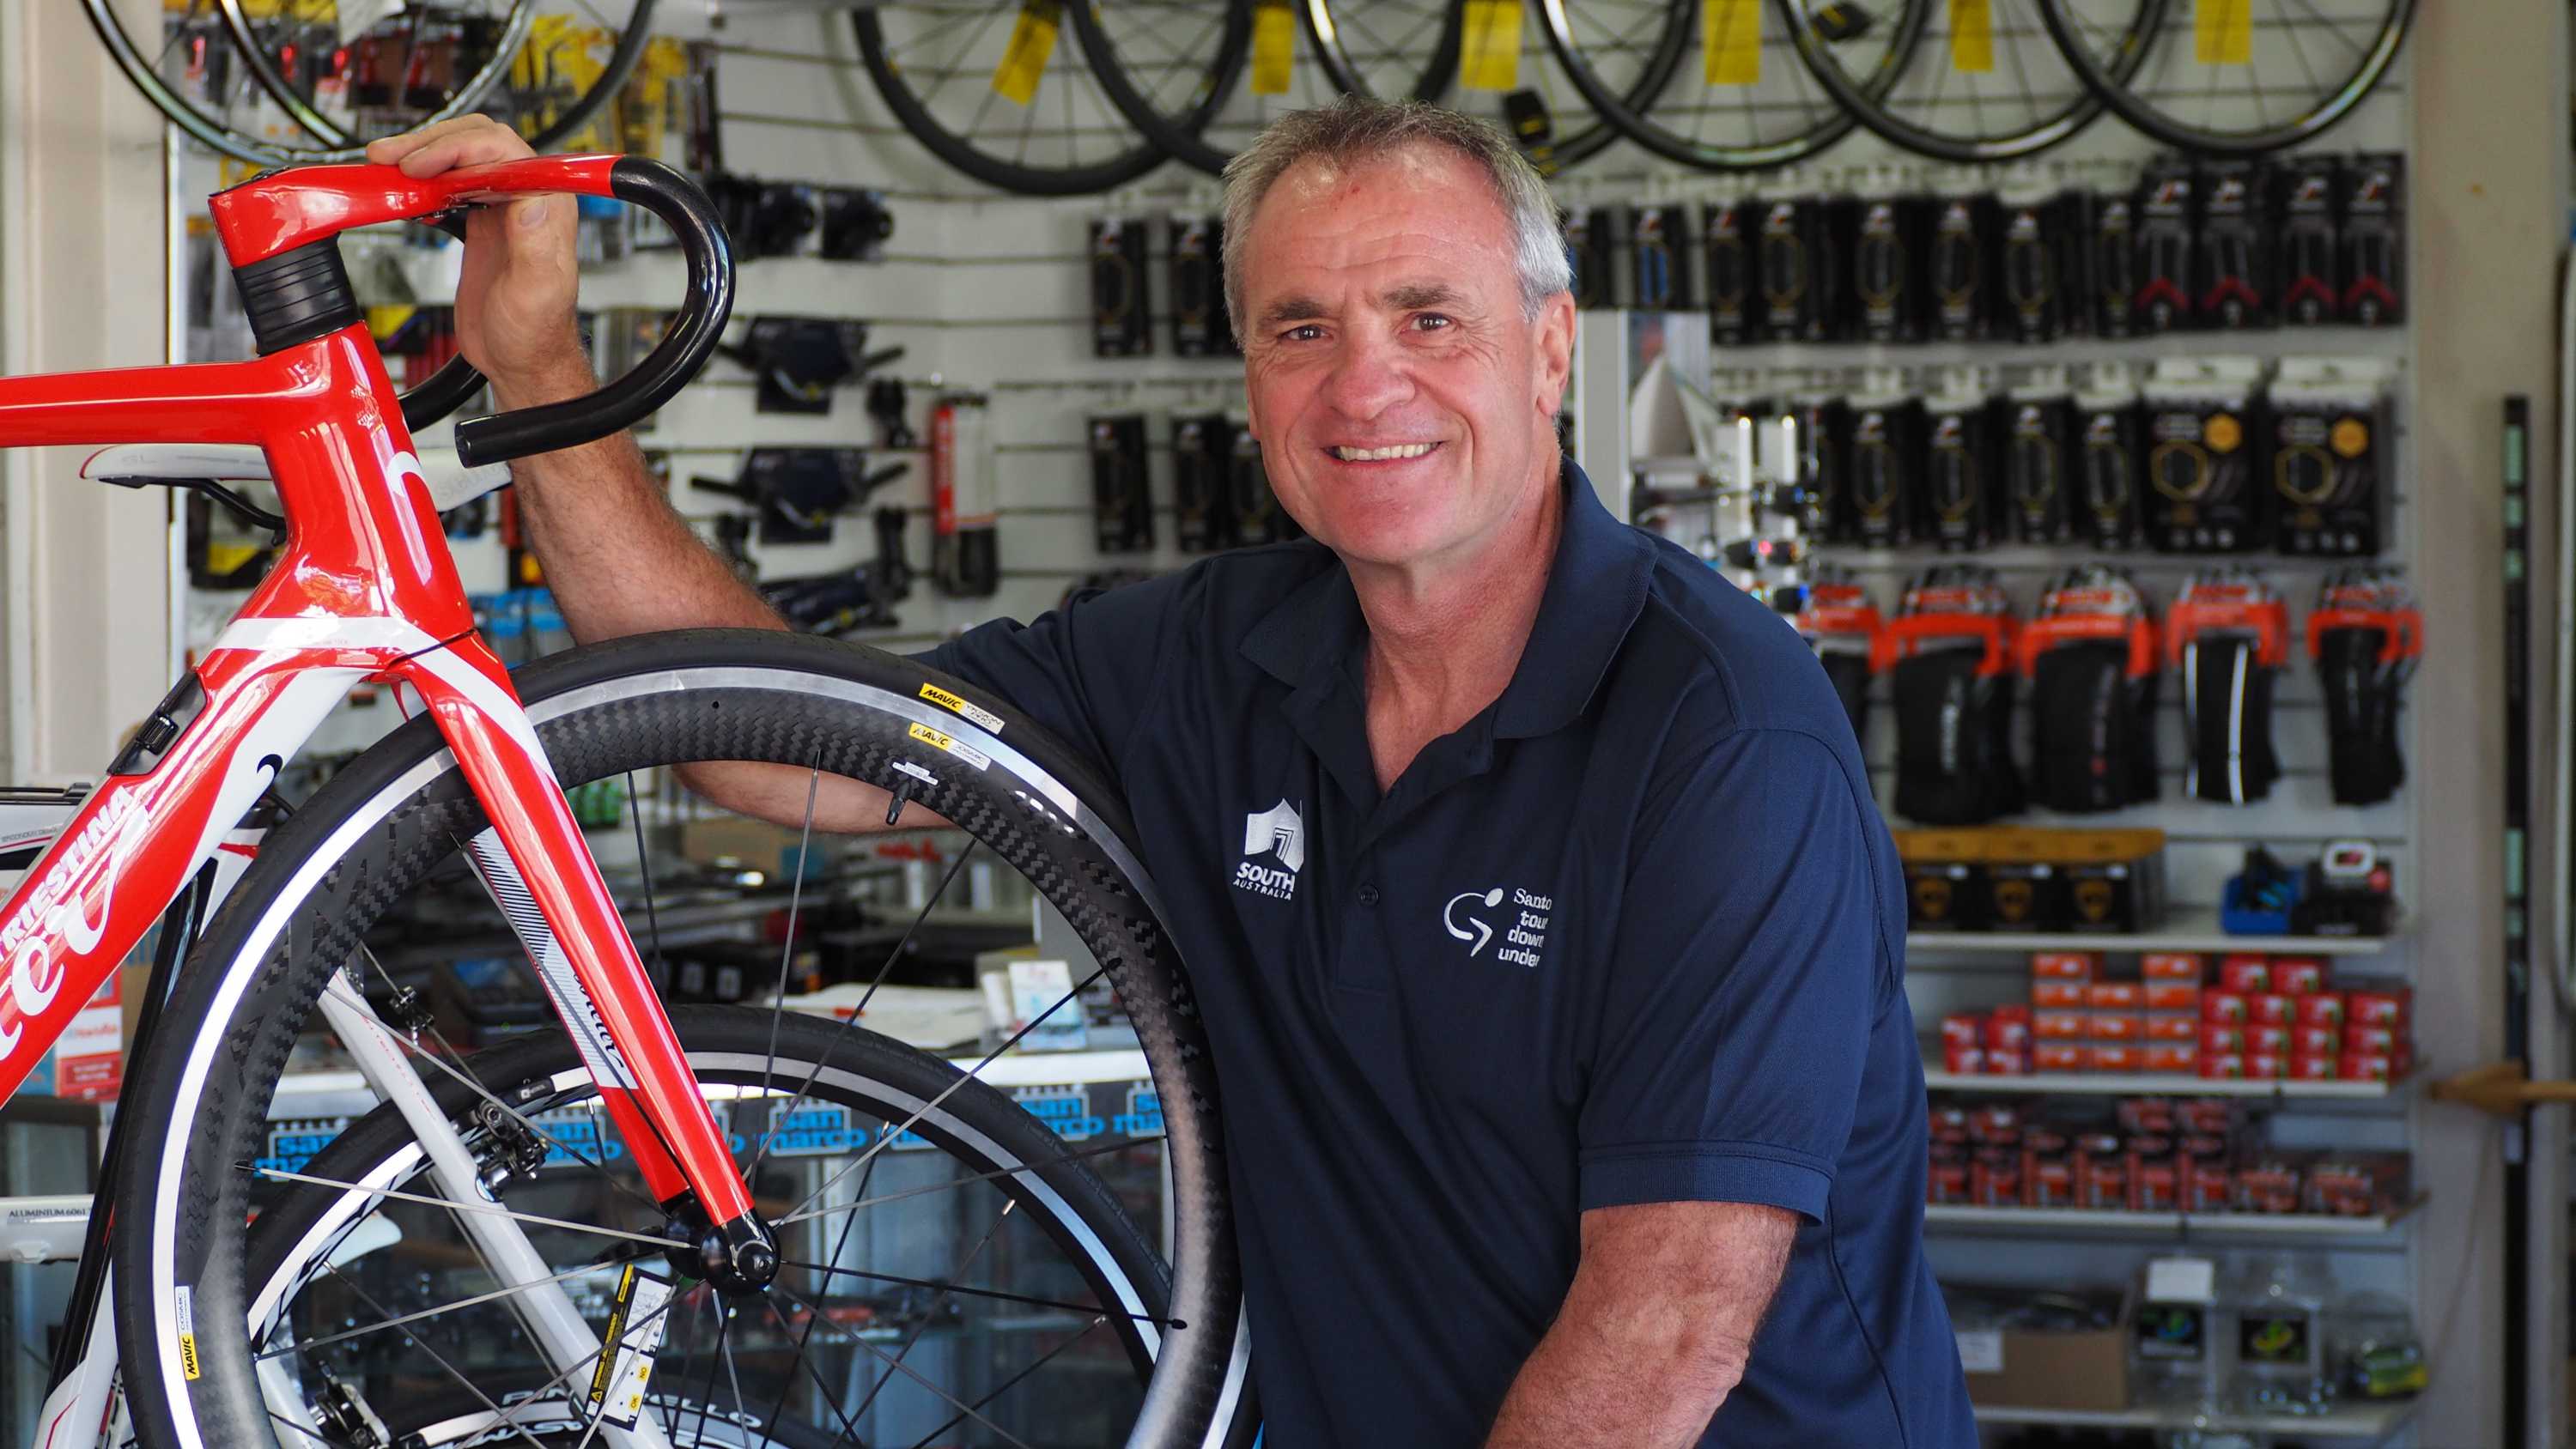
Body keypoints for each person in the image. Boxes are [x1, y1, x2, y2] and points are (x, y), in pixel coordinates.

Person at [368, 97, 1973, 1448]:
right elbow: (778, 746)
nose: (1365, 386)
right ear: (1249, 375)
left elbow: (1665, 1337)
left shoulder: (1720, 742)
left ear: (1551, 352)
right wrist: (536, 361)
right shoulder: (1209, 656)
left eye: (1430, 318)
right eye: (1302, 330)